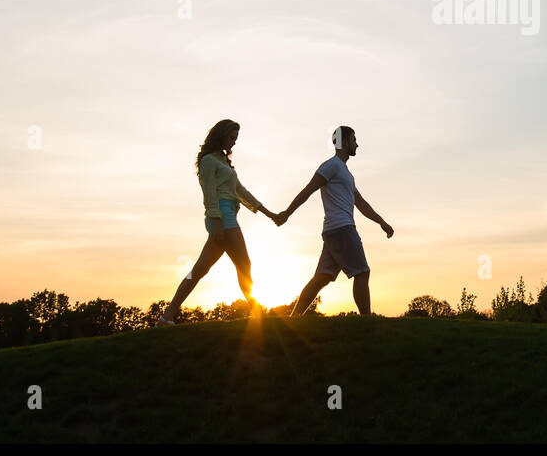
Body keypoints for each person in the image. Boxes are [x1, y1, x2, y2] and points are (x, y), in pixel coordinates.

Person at [156, 119, 275, 325]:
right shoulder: (209, 161)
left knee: (201, 270)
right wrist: (217, 223)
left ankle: (166, 316)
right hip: (222, 216)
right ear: (220, 135)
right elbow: (209, 193)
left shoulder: (222, 160)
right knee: (244, 264)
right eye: (232, 137)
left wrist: (269, 213)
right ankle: (258, 313)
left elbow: (241, 190)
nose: (234, 142)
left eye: (236, 138)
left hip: (227, 216)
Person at [274, 126, 393, 316]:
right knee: (362, 272)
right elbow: (308, 190)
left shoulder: (345, 173)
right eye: (354, 140)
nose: (357, 144)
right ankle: (367, 320)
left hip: (333, 231)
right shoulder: (331, 166)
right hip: (342, 228)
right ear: (344, 142)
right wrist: (287, 212)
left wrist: (381, 222)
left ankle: (294, 317)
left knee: (322, 277)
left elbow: (360, 203)